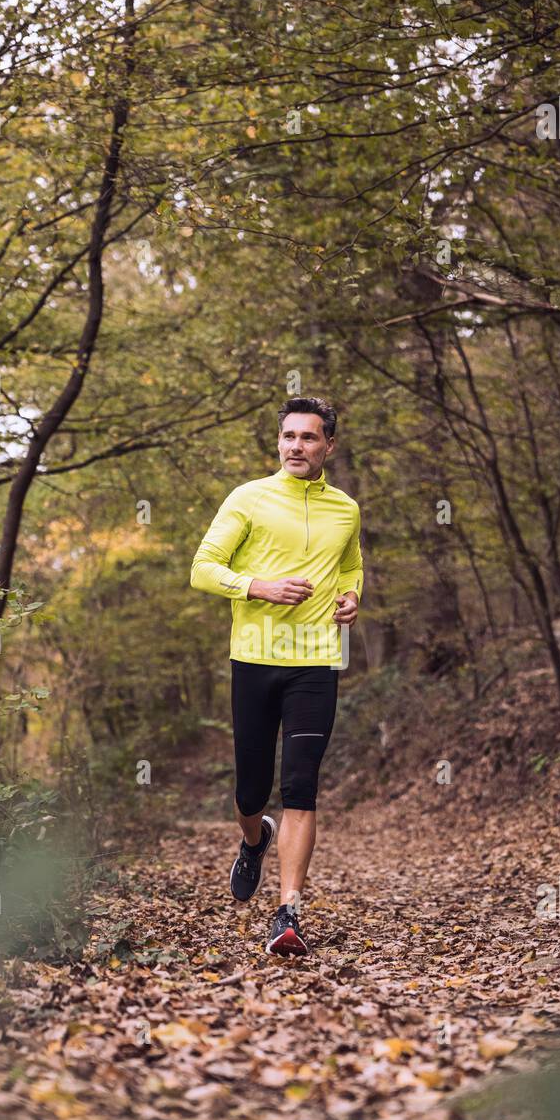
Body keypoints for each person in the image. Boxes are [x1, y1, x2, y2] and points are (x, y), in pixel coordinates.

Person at [189, 396, 364, 956]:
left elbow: (351, 563)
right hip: (255, 658)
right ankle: (253, 838)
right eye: (289, 436)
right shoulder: (248, 498)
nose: (297, 446)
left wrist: (353, 594)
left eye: (309, 438)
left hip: (315, 661)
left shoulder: (345, 509)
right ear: (279, 442)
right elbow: (203, 569)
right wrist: (258, 586)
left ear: (328, 446)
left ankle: (288, 911)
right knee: (251, 788)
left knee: (302, 787)